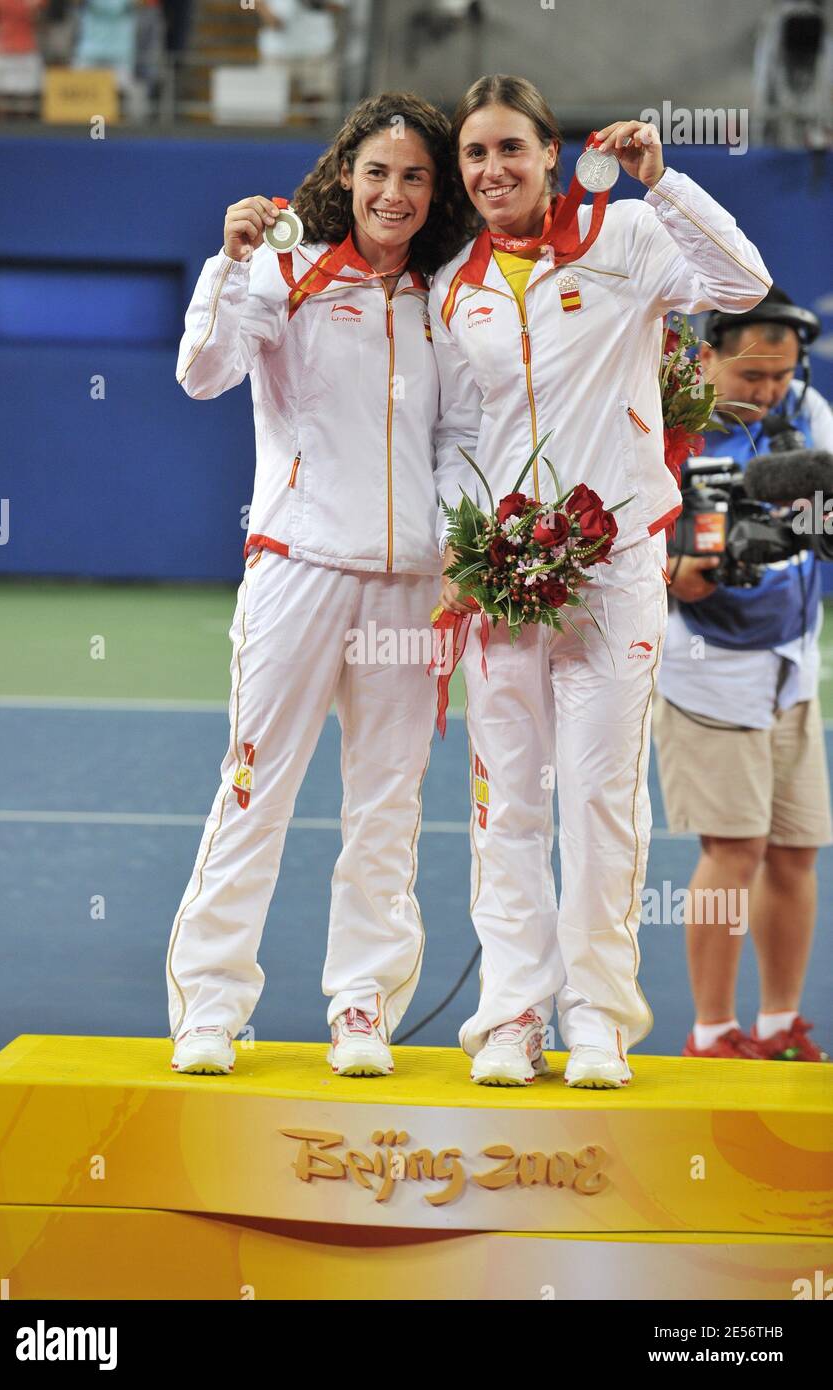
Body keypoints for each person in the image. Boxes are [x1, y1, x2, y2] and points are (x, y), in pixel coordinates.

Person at [431, 74, 771, 1088]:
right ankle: (510, 1015)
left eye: (511, 151)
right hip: (504, 580)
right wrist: (465, 542)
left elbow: (743, 283)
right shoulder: (460, 287)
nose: (494, 171)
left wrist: (663, 184)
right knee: (507, 804)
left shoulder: (626, 239)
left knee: (599, 797)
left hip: (613, 567)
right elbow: (458, 434)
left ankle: (598, 1020)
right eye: (475, 156)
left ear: (549, 153)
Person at [166, 93, 473, 1077]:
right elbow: (203, 375)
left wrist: (463, 551)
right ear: (347, 174)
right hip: (296, 570)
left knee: (387, 801)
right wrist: (232, 261)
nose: (393, 191)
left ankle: (362, 1006)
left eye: (415, 176)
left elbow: (462, 439)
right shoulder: (289, 268)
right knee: (254, 787)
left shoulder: (448, 293)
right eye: (377, 171)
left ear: (438, 192)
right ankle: (211, 1005)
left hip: (410, 590)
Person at [653, 286, 832, 1063]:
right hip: (709, 673)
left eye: (778, 376)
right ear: (708, 356)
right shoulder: (676, 433)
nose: (765, 394)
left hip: (792, 667)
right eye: (750, 377)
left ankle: (775, 1024)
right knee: (735, 850)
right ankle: (713, 1031)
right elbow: (667, 571)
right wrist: (702, 564)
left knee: (794, 851)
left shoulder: (803, 412)